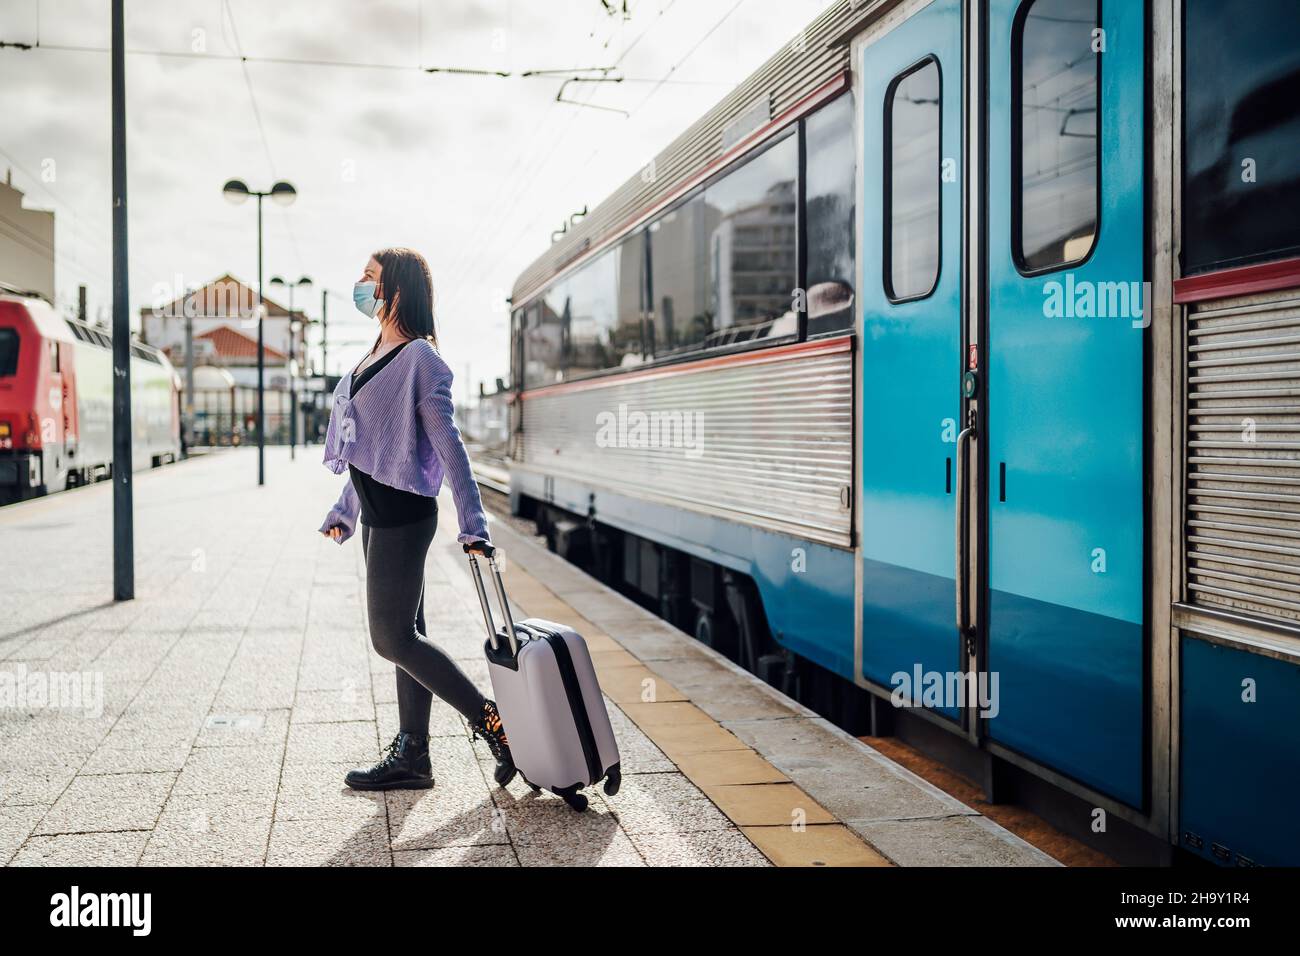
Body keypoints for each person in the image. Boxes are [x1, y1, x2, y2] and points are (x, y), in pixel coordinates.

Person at [318, 247, 513, 791]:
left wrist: (473, 524)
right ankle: (413, 755)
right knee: (409, 632)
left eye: (370, 278)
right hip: (378, 515)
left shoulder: (421, 362)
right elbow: (375, 452)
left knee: (392, 638)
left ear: (397, 290)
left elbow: (449, 447)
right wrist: (345, 510)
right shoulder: (374, 353)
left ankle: (496, 724)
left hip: (404, 517)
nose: (361, 286)